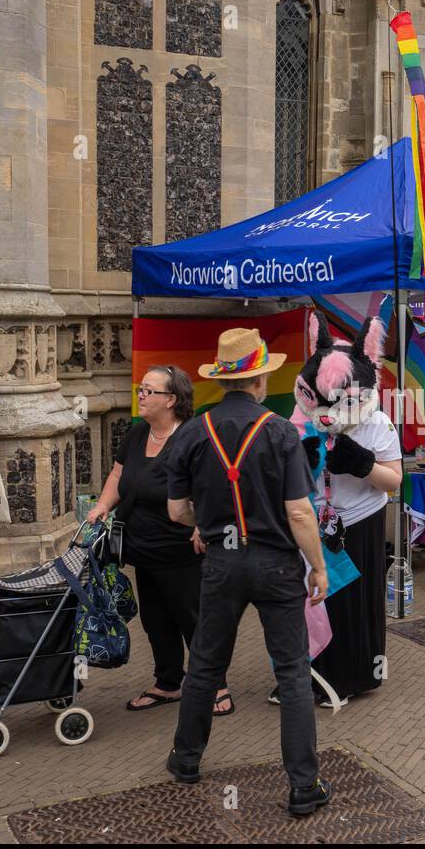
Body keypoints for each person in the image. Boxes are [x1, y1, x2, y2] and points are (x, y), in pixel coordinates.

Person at [164, 328, 331, 816]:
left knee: (205, 666)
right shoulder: (281, 432)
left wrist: (208, 526)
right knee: (293, 672)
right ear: (260, 379)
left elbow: (177, 511)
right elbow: (299, 512)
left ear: (223, 379)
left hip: (222, 563)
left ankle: (186, 760)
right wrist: (318, 567)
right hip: (276, 564)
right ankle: (303, 786)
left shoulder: (192, 431)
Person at [86, 365, 232, 716]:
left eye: (149, 391)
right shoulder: (137, 433)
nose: (141, 395)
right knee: (156, 621)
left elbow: (213, 486)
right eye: (141, 389)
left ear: (171, 399)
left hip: (181, 550)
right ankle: (168, 682)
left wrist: (204, 524)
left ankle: (216, 684)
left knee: (193, 618)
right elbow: (118, 474)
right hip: (142, 549)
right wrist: (103, 506)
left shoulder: (194, 437)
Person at [290, 313, 402, 708]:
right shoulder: (301, 421)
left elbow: (394, 480)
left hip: (360, 522)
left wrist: (363, 464)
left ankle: (352, 676)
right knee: (314, 600)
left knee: (353, 603)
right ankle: (310, 675)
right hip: (315, 521)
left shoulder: (377, 423)